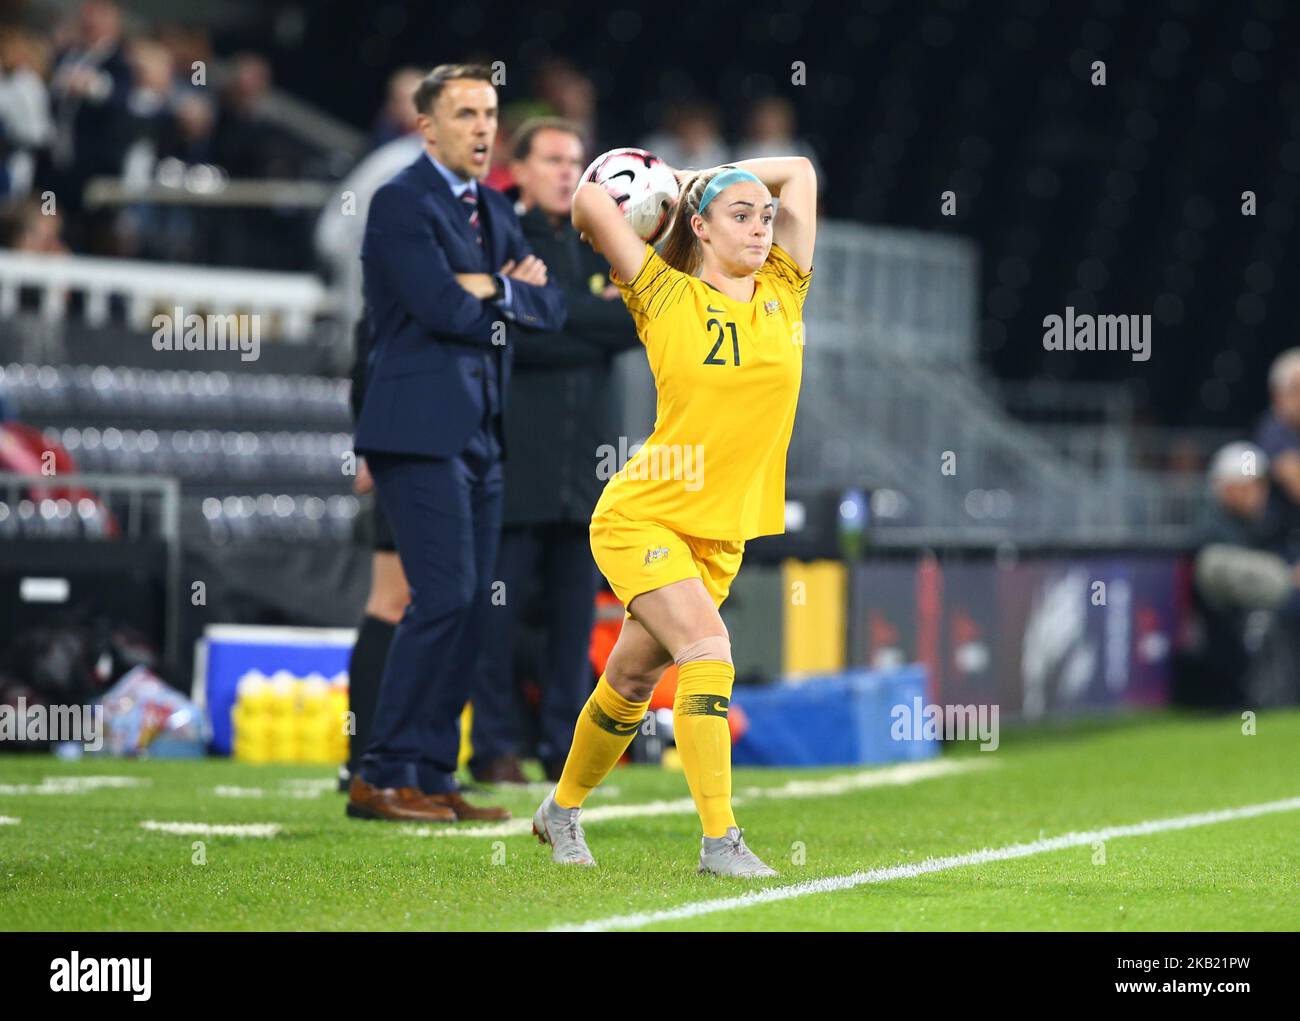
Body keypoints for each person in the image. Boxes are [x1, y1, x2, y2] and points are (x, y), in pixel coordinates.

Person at [532, 155, 817, 875]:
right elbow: (592, 199)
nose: (760, 226)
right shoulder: (664, 294)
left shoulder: (785, 287)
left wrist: (711, 172)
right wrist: (679, 181)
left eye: (764, 217)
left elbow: (802, 172)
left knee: (630, 681)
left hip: (720, 534)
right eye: (740, 215)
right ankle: (720, 842)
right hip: (645, 516)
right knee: (708, 652)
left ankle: (559, 811)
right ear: (699, 226)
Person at [346, 63, 565, 823]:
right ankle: (380, 772)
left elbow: (552, 305)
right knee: (440, 597)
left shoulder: (491, 210)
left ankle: (434, 771)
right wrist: (501, 289)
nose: (482, 128)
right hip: (417, 428)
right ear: (426, 125)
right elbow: (440, 308)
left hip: (481, 429)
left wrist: (493, 288)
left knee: (469, 605)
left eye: (490, 113)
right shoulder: (400, 202)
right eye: (465, 113)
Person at [468, 117, 639, 784]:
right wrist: (576, 320)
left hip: (587, 468)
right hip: (517, 461)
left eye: (577, 160)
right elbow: (507, 330)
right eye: (555, 160)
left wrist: (549, 309)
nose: (570, 172)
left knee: (575, 619)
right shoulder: (498, 235)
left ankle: (568, 751)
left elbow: (634, 323)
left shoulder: (600, 241)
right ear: (522, 168)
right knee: (497, 617)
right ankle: (494, 745)